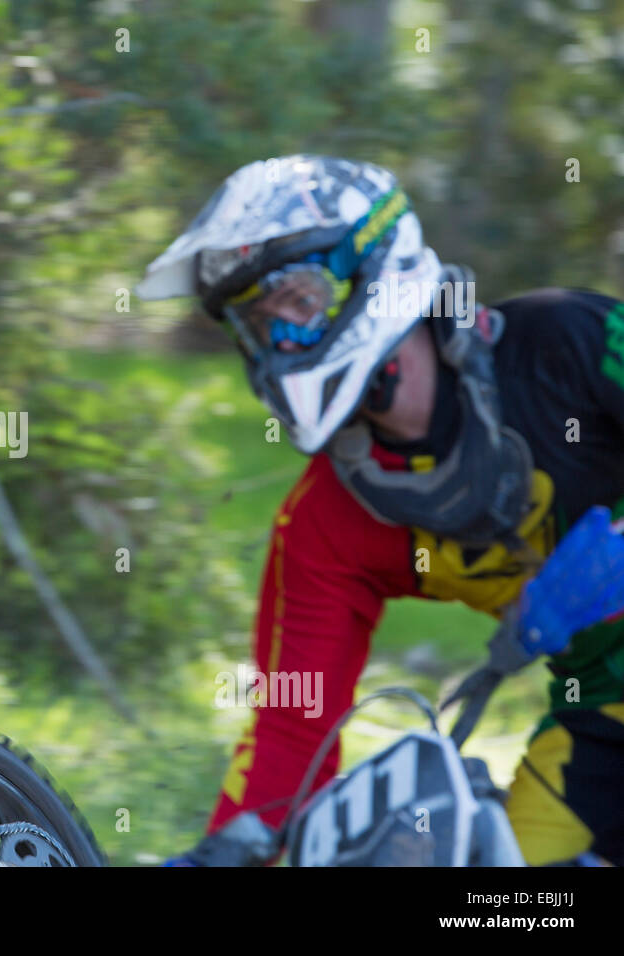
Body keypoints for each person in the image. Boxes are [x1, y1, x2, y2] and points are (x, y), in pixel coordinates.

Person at [137, 154, 624, 866]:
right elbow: (292, 733)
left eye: (298, 303)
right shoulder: (327, 522)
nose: (282, 344)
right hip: (602, 716)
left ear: (372, 266)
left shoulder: (565, 341)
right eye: (259, 325)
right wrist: (227, 853)